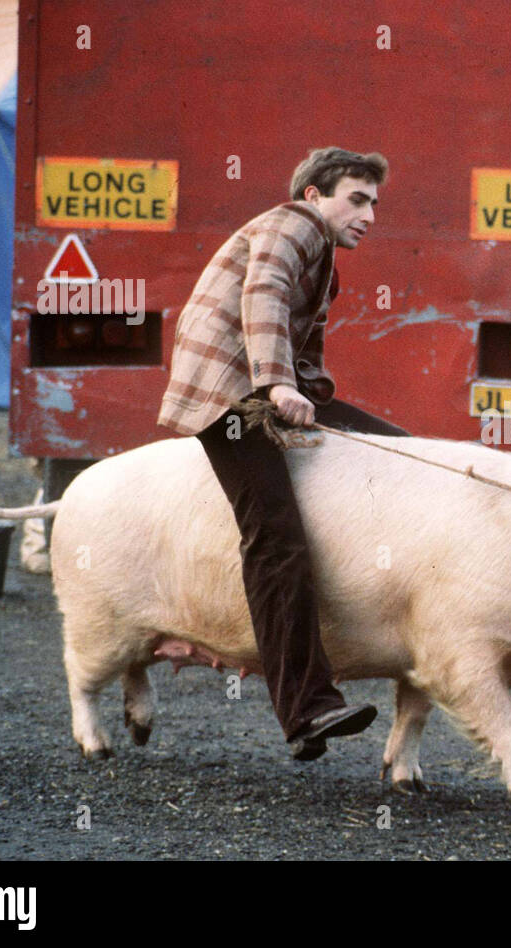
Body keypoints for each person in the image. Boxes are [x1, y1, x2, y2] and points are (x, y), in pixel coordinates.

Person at [158, 147, 396, 761]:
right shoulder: (295, 223)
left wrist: (307, 388)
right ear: (315, 195)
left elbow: (306, 354)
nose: (369, 214)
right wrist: (278, 382)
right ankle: (308, 711)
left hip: (258, 388)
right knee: (275, 536)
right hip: (229, 396)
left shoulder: (326, 264)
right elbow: (262, 294)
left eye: (375, 203)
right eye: (357, 198)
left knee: (396, 445)